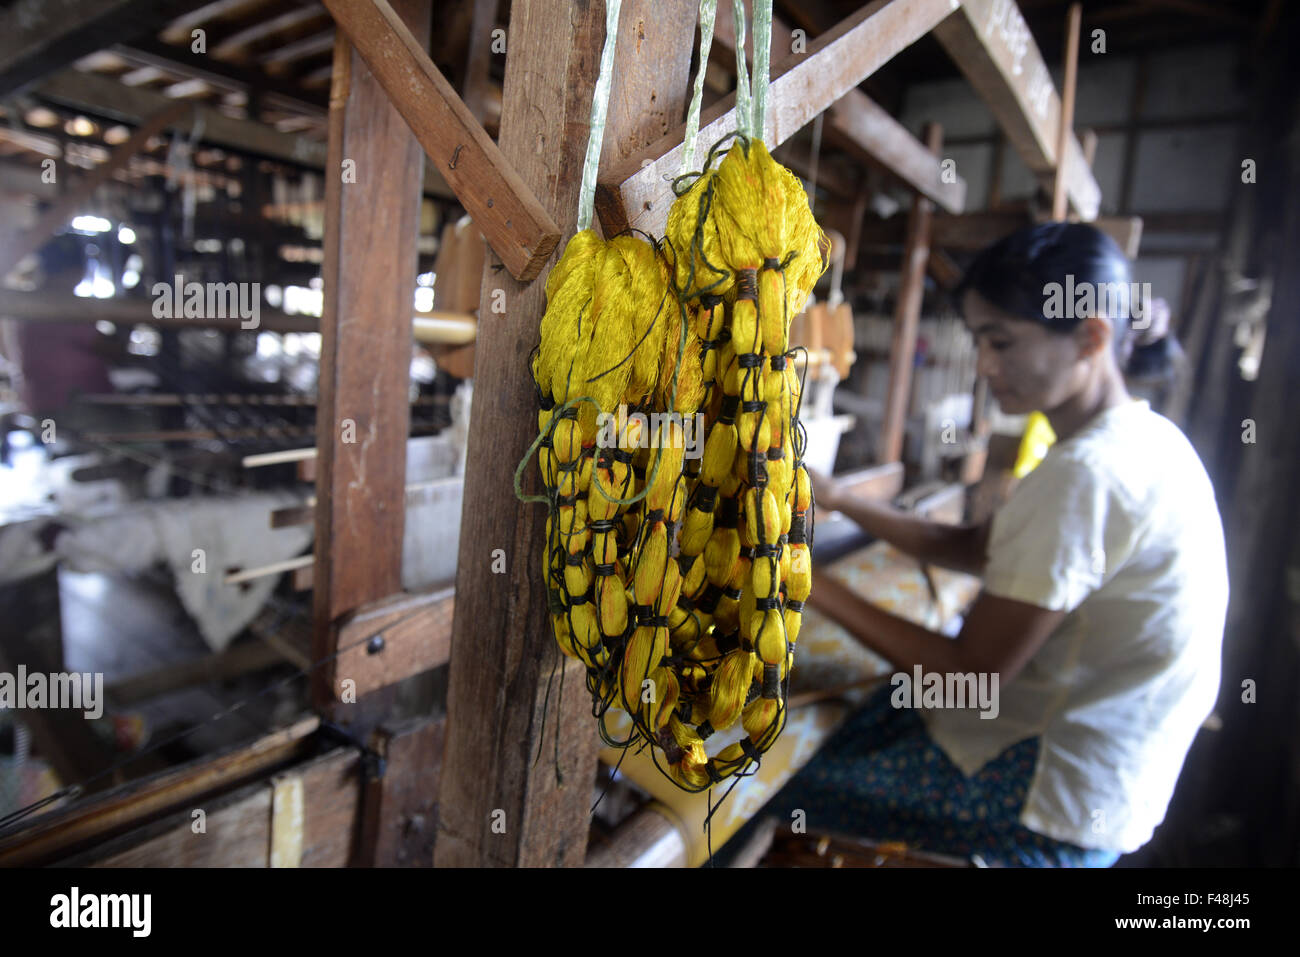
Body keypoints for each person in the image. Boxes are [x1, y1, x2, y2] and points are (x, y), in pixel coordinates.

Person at [766, 222, 1228, 867]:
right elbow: (979, 549)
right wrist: (841, 499)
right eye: (980, 341)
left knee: (768, 778)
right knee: (854, 712)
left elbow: (971, 679)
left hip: (1046, 793)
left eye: (1001, 342)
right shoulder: (1141, 440)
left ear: (1091, 334)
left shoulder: (1090, 474)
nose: (985, 367)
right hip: (1102, 762)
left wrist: (796, 574)